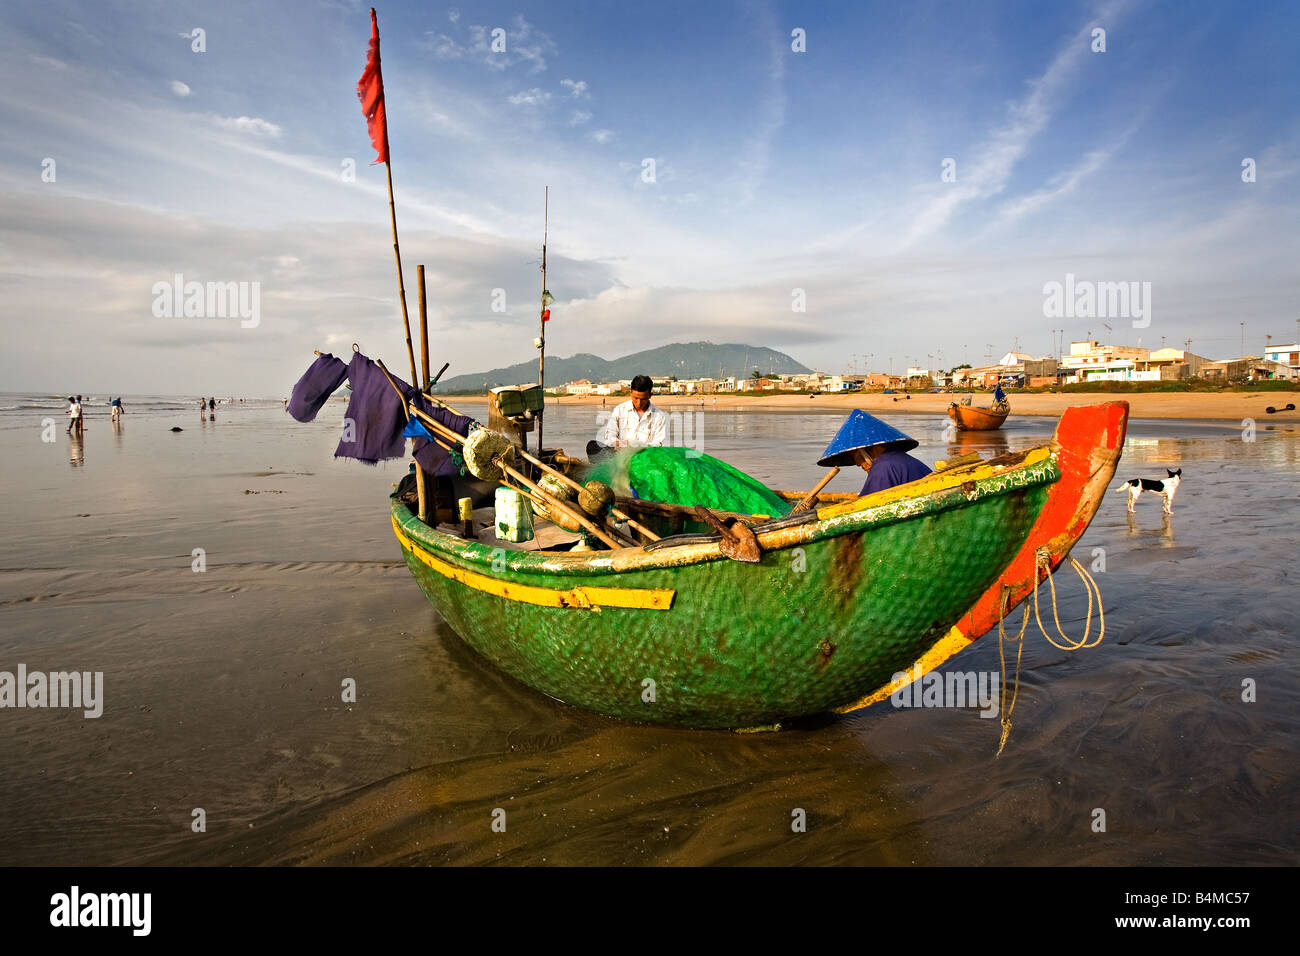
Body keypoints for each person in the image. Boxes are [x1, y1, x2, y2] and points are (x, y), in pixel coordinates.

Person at [816, 409, 931, 496]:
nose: (858, 464)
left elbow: (866, 506)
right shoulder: (899, 459)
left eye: (856, 455)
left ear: (868, 449)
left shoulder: (883, 466)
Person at [588, 374, 666, 458]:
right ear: (631, 393)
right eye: (635, 398)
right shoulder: (620, 410)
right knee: (592, 446)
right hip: (620, 454)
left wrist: (636, 447)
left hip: (645, 456)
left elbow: (659, 443)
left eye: (643, 399)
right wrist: (620, 444)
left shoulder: (659, 415)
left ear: (650, 395)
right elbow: (610, 436)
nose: (639, 403)